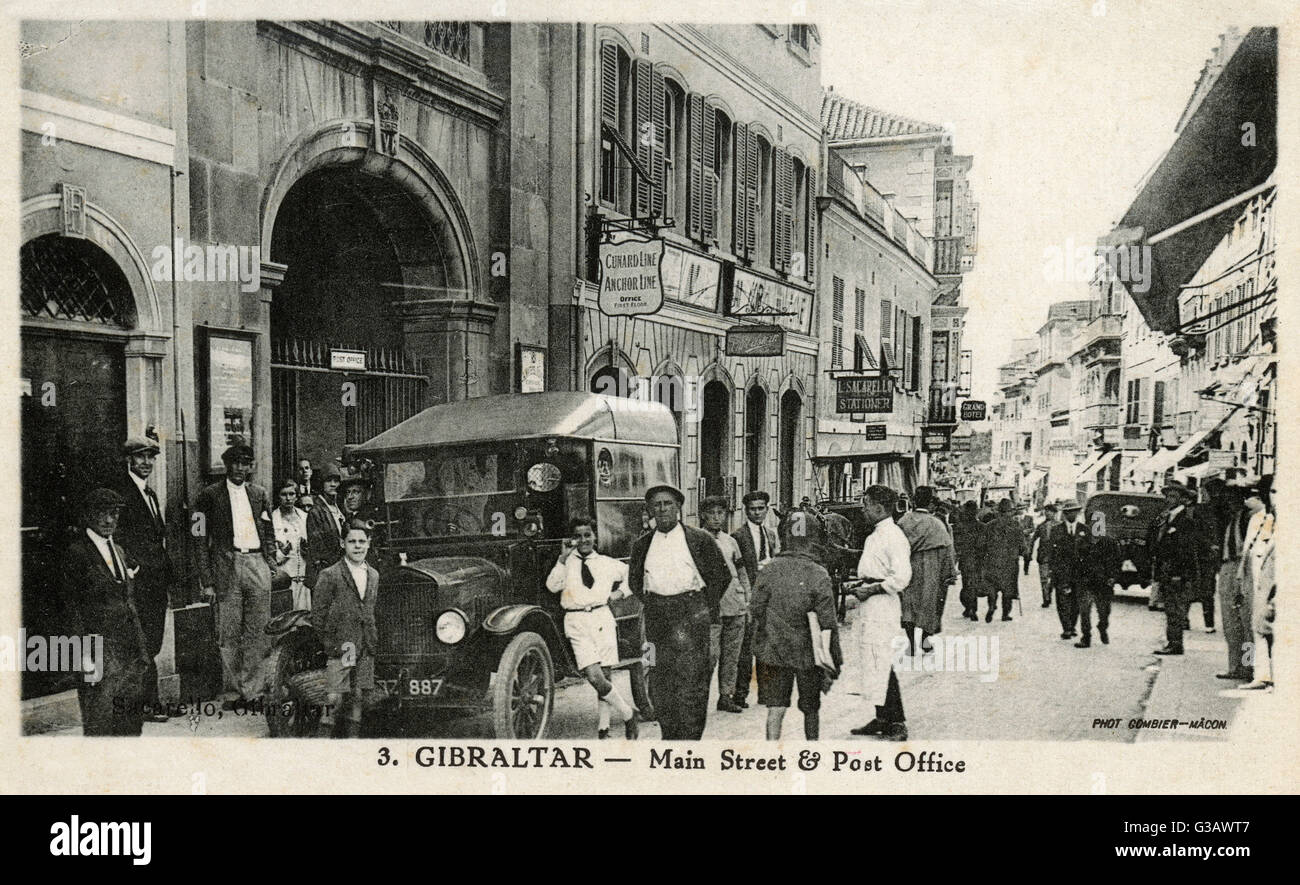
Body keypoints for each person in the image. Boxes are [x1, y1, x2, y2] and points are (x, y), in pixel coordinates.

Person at [627, 485, 731, 740]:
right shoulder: (643, 544)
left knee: (691, 679)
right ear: (650, 510)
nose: (662, 509)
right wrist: (654, 603)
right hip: (656, 618)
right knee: (659, 677)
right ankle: (669, 735)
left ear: (679, 508)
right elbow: (634, 581)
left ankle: (690, 739)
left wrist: (701, 607)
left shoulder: (698, 539)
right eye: (657, 505)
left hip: (691, 615)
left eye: (668, 504)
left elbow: (721, 576)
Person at [193, 438, 278, 703]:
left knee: (259, 630)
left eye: (246, 464)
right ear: (226, 465)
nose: (240, 468)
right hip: (226, 565)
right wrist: (207, 580)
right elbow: (198, 539)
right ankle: (231, 690)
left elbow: (268, 530)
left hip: (256, 563)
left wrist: (270, 560)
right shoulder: (208, 496)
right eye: (236, 463)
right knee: (228, 631)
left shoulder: (260, 494)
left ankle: (253, 690)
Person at [60, 488, 151, 735]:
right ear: (88, 516)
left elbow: (129, 601)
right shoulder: (77, 554)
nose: (109, 520)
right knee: (99, 719)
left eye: (114, 513)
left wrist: (141, 649)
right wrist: (82, 656)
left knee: (130, 721)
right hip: (99, 650)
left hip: (129, 650)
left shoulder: (119, 551)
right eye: (102, 514)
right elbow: (72, 609)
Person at [545, 518, 638, 738]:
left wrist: (619, 593)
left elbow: (633, 574)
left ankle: (603, 728)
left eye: (588, 535)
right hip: (576, 621)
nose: (584, 540)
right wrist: (561, 559)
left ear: (595, 537)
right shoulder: (566, 564)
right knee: (594, 676)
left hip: (602, 618)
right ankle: (628, 714)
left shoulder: (606, 562)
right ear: (572, 539)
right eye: (578, 536)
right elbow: (552, 586)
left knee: (605, 675)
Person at [751, 511, 840, 741]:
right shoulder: (819, 573)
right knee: (811, 707)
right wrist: (833, 659)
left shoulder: (769, 569)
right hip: (808, 654)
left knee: (776, 707)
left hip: (774, 650)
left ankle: (771, 754)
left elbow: (756, 609)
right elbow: (828, 621)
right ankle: (812, 750)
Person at [112, 435, 174, 722]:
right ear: (129, 459)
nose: (147, 463)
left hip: (156, 580)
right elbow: (116, 535)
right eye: (141, 457)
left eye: (151, 457)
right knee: (141, 643)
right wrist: (132, 567)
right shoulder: (121, 493)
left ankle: (152, 700)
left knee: (152, 642)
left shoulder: (149, 493)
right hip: (138, 580)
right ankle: (145, 704)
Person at [849, 484, 912, 741]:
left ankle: (897, 722)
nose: (863, 510)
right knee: (871, 661)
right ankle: (882, 716)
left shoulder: (894, 536)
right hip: (870, 604)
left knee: (881, 660)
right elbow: (873, 569)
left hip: (882, 606)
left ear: (878, 508)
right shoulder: (874, 535)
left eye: (865, 505)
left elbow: (901, 578)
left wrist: (871, 589)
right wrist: (859, 584)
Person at [310, 520, 380, 737]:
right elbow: (318, 615)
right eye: (352, 542)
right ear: (342, 543)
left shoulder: (374, 575)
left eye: (362, 541)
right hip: (342, 645)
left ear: (369, 543)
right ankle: (324, 740)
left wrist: (371, 639)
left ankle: (353, 740)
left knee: (358, 695)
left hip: (365, 644)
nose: (357, 546)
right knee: (334, 697)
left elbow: (369, 609)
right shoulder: (330, 575)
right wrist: (331, 642)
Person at [698, 496, 750, 714]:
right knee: (709, 655)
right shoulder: (697, 540)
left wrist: (747, 599)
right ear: (703, 516)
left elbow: (742, 572)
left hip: (734, 604)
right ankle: (700, 698)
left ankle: (726, 696)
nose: (717, 518)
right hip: (711, 607)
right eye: (712, 513)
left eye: (721, 513)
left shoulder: (731, 542)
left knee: (732, 655)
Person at [731, 490, 781, 709]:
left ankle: (765, 690)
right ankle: (740, 694)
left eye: (761, 508)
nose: (757, 513)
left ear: (767, 509)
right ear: (746, 511)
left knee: (766, 645)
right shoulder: (738, 537)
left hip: (768, 597)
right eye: (753, 509)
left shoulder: (771, 534)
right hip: (749, 597)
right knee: (745, 648)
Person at [895, 486, 956, 652]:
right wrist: (950, 573)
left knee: (908, 605)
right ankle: (924, 640)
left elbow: (894, 547)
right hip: (931, 570)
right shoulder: (936, 524)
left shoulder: (903, 522)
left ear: (914, 501)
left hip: (907, 568)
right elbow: (947, 550)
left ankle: (911, 643)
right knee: (929, 604)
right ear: (930, 503)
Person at [1148, 481, 1201, 655]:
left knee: (1175, 608)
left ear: (1182, 499)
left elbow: (1186, 550)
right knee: (1169, 608)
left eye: (1173, 496)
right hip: (1165, 570)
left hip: (1177, 572)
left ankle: (1175, 643)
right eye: (1167, 496)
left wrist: (1179, 573)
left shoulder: (1185, 520)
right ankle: (1172, 641)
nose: (1169, 500)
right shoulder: (1166, 518)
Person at [1216, 480, 1257, 680]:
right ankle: (1235, 666)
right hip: (1228, 567)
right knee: (1230, 624)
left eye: (1231, 498)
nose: (1228, 502)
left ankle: (1249, 666)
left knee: (1246, 623)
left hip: (1242, 567)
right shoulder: (1233, 519)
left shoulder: (1248, 519)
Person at [1238, 476, 1275, 690]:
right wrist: (1240, 578)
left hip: (1268, 582)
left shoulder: (1281, 519)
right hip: (1250, 577)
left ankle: (1265, 674)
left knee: (1265, 628)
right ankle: (1249, 669)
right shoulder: (1256, 518)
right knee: (1247, 627)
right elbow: (1247, 550)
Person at [1073, 509, 1122, 648]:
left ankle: (1102, 627)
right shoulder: (1082, 542)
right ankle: (1086, 637)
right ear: (1088, 524)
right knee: (1084, 611)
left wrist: (1113, 577)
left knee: (1104, 612)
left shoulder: (1110, 542)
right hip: (1086, 582)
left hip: (1103, 583)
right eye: (1093, 522)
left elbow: (1117, 562)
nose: (1097, 525)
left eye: (1100, 522)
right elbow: (1076, 562)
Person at [983, 499, 1025, 622]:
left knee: (992, 587)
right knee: (1008, 589)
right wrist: (1024, 553)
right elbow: (1022, 544)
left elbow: (982, 544)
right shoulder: (1016, 525)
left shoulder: (989, 525)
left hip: (993, 561)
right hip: (1010, 562)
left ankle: (991, 606)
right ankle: (1005, 614)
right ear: (1009, 512)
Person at [272, 478, 311, 610]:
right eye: (284, 494)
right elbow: (269, 554)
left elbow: (313, 547)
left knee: (305, 616)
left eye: (291, 494)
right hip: (284, 579)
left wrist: (307, 550)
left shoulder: (305, 517)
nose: (288, 498)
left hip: (305, 577)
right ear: (278, 497)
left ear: (296, 496)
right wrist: (282, 552)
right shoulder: (272, 519)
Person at [1050, 499, 1086, 640]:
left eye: (1074, 511)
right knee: (1062, 601)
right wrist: (1052, 571)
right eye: (1068, 512)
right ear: (1064, 514)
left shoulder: (1084, 530)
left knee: (1076, 601)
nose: (1071, 515)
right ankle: (1066, 628)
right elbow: (1052, 553)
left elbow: (1088, 552)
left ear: (1078, 513)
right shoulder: (1056, 530)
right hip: (1062, 572)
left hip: (1079, 572)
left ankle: (1072, 625)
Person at [305, 464, 345, 585]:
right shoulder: (316, 512)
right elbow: (318, 548)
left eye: (336, 481)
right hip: (325, 572)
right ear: (321, 483)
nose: (333, 484)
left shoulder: (340, 508)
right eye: (329, 481)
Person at [952, 500, 983, 620]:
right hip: (977, 561)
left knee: (967, 585)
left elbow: (957, 544)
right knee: (973, 585)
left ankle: (969, 608)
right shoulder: (981, 527)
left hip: (966, 560)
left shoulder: (960, 526)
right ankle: (971, 608)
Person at [1028, 504, 1059, 607]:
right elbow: (1032, 540)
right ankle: (1046, 598)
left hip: (1056, 556)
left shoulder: (1060, 526)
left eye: (1049, 511)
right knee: (1044, 579)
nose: (1047, 513)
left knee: (1055, 578)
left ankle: (1049, 591)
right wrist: (1029, 553)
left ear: (1054, 513)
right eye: (1046, 511)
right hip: (1043, 556)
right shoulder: (1041, 526)